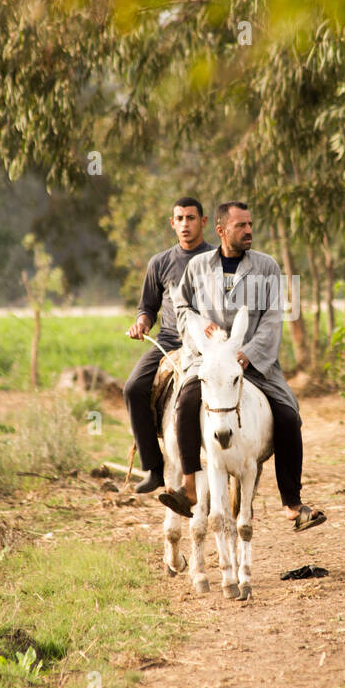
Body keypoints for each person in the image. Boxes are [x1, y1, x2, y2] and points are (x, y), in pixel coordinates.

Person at [158, 201, 326, 531]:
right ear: (221, 231)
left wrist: (248, 353)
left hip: (256, 364)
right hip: (209, 361)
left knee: (289, 416)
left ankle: (292, 504)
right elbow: (182, 308)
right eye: (240, 226)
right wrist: (199, 326)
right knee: (186, 402)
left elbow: (273, 317)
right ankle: (189, 486)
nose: (248, 231)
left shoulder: (266, 266)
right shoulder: (197, 267)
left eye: (250, 224)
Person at [123, 197, 216, 493]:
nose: (185, 224)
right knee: (133, 389)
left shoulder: (218, 258)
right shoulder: (160, 262)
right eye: (180, 218)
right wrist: (141, 323)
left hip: (209, 343)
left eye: (191, 218)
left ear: (203, 222)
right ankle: (153, 468)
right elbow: (147, 307)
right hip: (169, 343)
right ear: (172, 223)